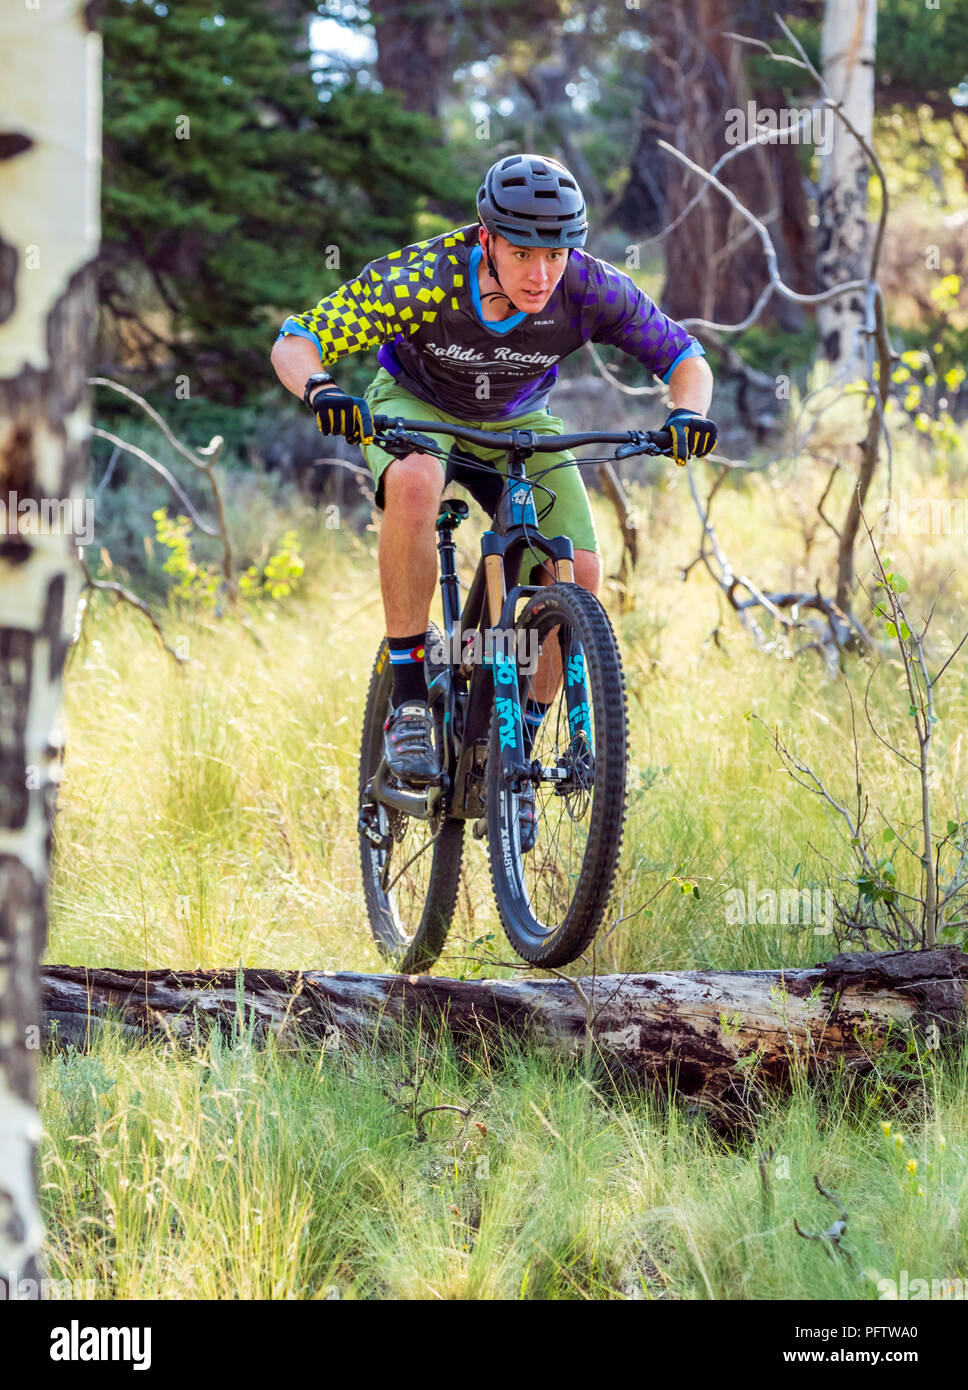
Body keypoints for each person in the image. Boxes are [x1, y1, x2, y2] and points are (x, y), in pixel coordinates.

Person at [271, 152, 717, 805]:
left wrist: (687, 413)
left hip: (517, 418)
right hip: (415, 404)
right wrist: (320, 389)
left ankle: (517, 753)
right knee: (418, 479)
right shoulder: (424, 278)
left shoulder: (590, 286)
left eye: (556, 255)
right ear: (487, 240)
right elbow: (297, 338)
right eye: (523, 255)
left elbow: (685, 357)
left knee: (580, 576)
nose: (541, 275)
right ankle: (411, 702)